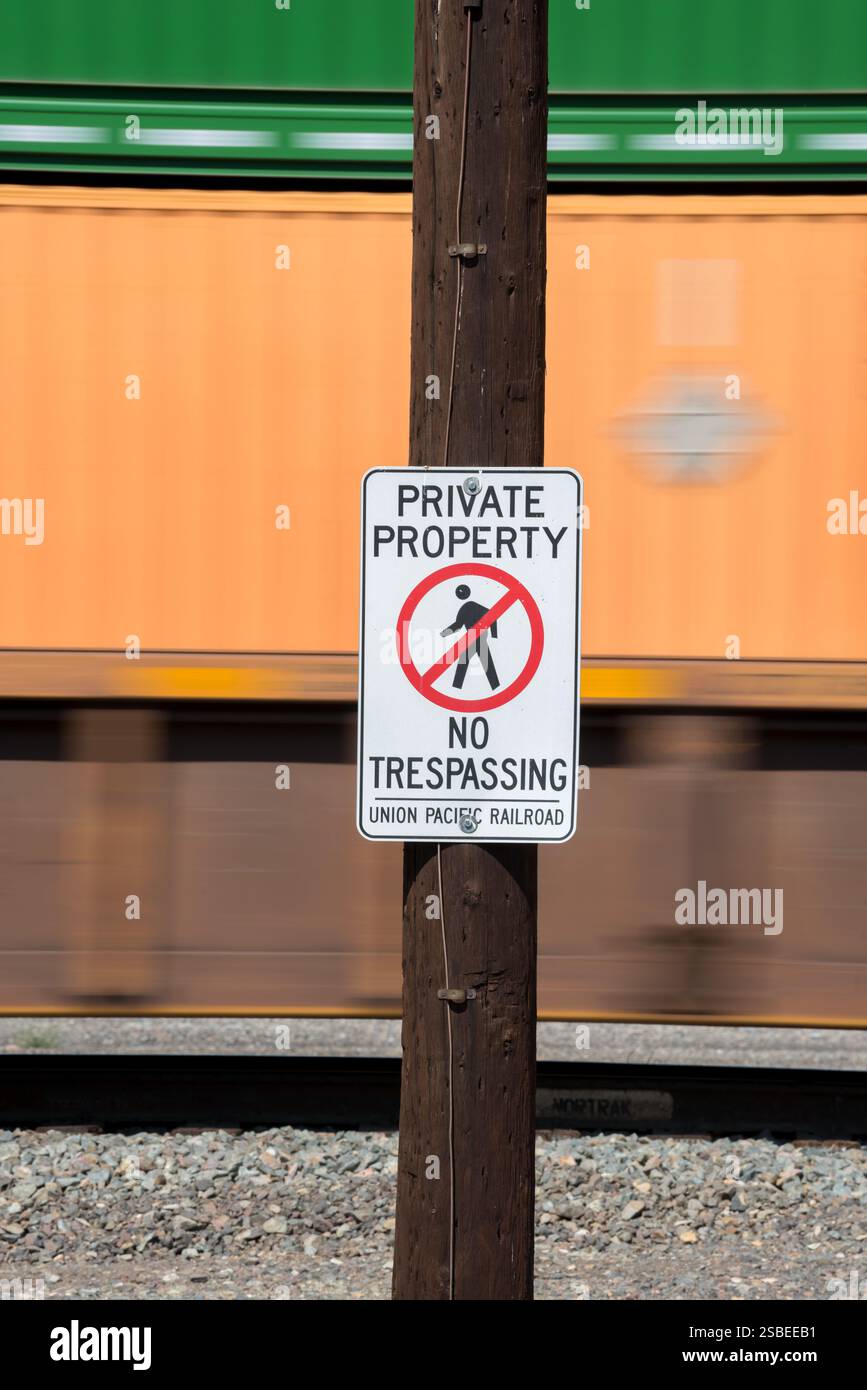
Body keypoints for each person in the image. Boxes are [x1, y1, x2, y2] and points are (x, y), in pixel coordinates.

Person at [440, 584, 500, 690]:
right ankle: (495, 687)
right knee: (485, 664)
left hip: (474, 639)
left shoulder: (465, 608)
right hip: (478, 639)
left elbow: (458, 625)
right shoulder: (471, 607)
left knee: (465, 662)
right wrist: (494, 635)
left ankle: (456, 688)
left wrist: (444, 633)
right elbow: (493, 617)